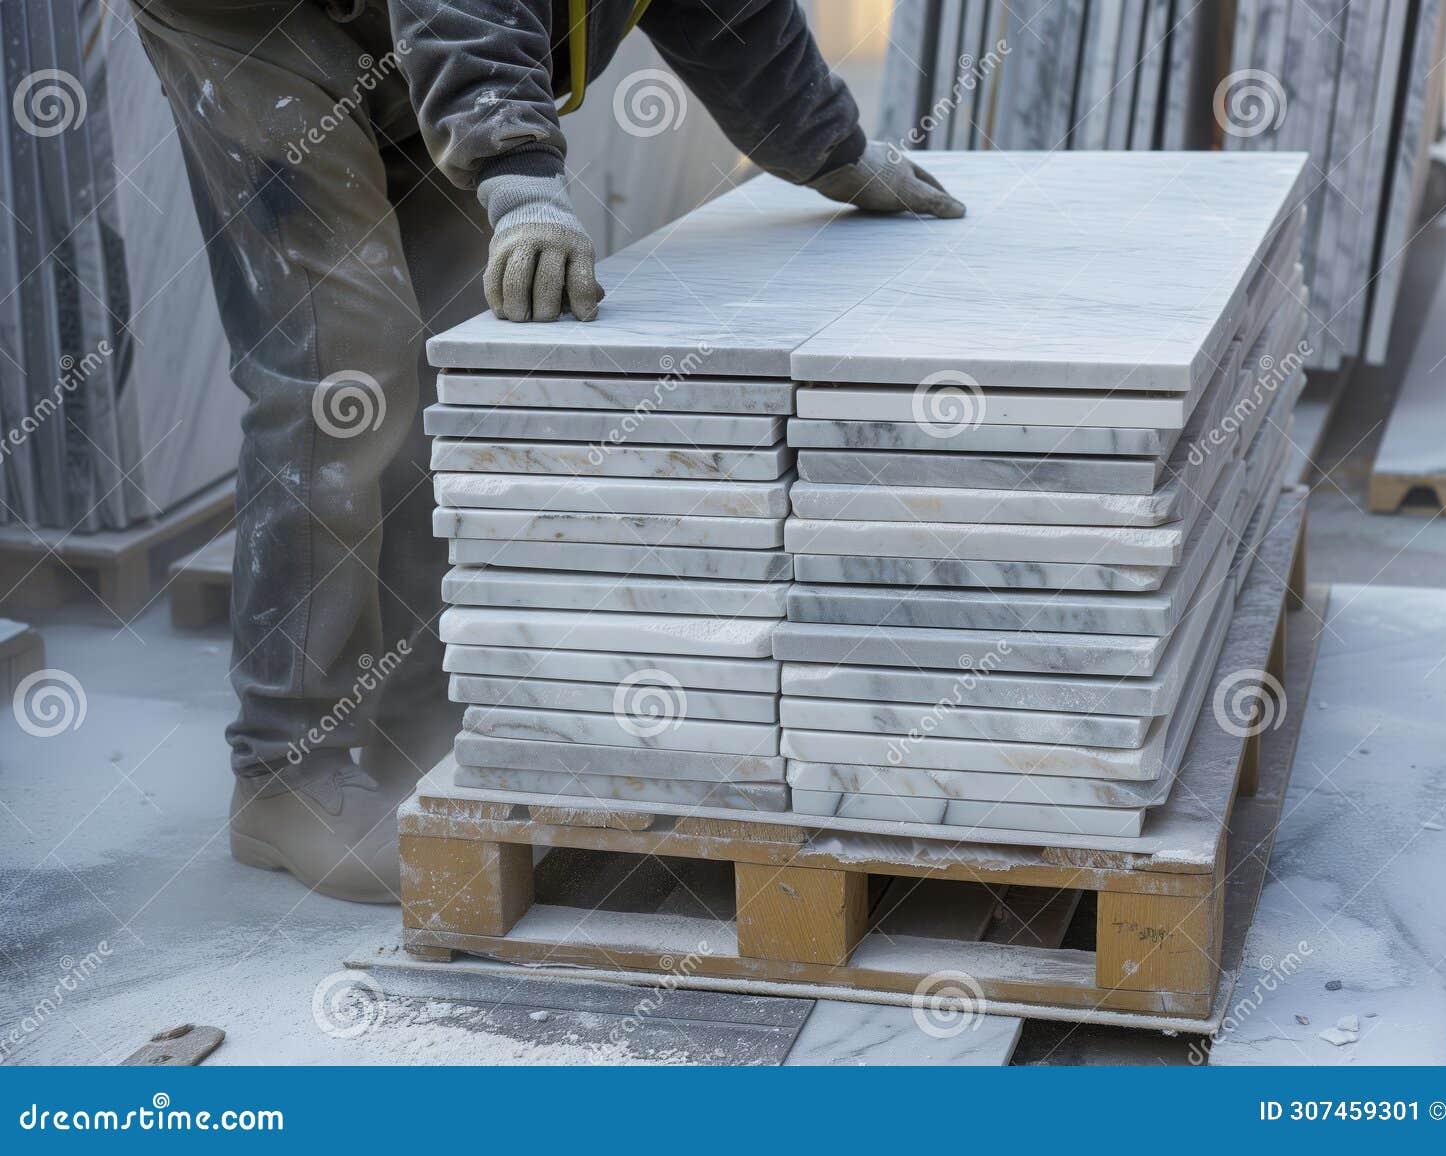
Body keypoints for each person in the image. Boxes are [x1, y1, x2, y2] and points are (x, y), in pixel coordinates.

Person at [132, 0, 964, 903]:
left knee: (453, 359)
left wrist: (832, 152)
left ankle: (416, 722)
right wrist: (520, 180)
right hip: (263, 22)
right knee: (349, 370)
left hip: (418, 35)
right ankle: (285, 774)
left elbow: (735, 17)